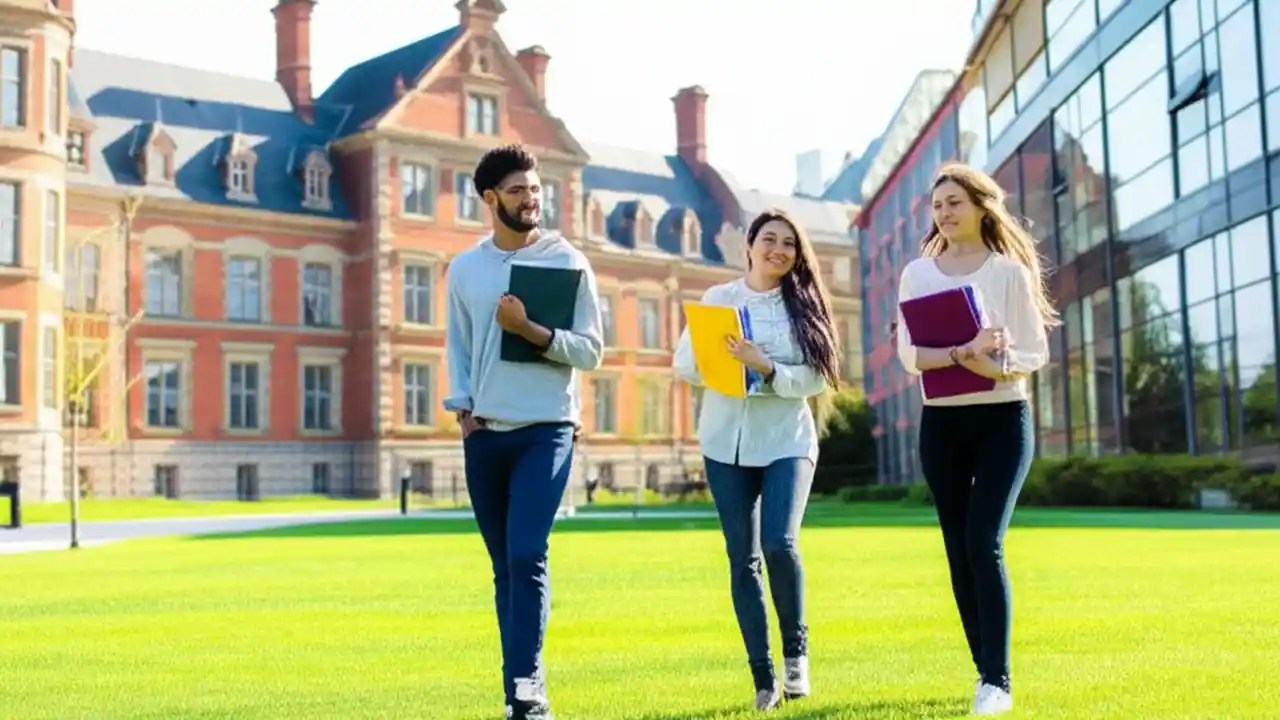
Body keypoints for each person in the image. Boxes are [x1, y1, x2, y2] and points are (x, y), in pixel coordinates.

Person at [443, 144, 604, 720]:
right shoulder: (465, 269)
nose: (531, 199)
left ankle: (530, 687)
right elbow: (458, 347)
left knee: (528, 553)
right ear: (490, 199)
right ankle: (517, 693)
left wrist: (530, 329)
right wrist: (464, 414)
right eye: (517, 190)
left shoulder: (568, 260)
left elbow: (591, 351)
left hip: (547, 430)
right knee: (505, 568)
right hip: (486, 434)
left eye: (535, 189)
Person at [895, 162, 1057, 716]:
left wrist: (998, 360)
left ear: (982, 207)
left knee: (983, 540)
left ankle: (996, 680)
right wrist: (967, 351)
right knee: (957, 547)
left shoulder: (1009, 272)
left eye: (954, 202)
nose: (944, 213)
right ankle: (985, 670)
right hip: (941, 424)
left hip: (1002, 420)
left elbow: (1034, 352)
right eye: (937, 205)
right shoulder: (917, 274)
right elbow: (911, 356)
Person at [674, 209, 841, 711]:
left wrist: (766, 367)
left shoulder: (805, 305)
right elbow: (685, 364)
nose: (779, 250)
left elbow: (817, 378)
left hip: (787, 439)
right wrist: (725, 362)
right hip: (724, 442)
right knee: (742, 558)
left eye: (789, 243)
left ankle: (796, 658)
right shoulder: (717, 299)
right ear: (749, 245)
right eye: (769, 239)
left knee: (779, 544)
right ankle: (764, 678)